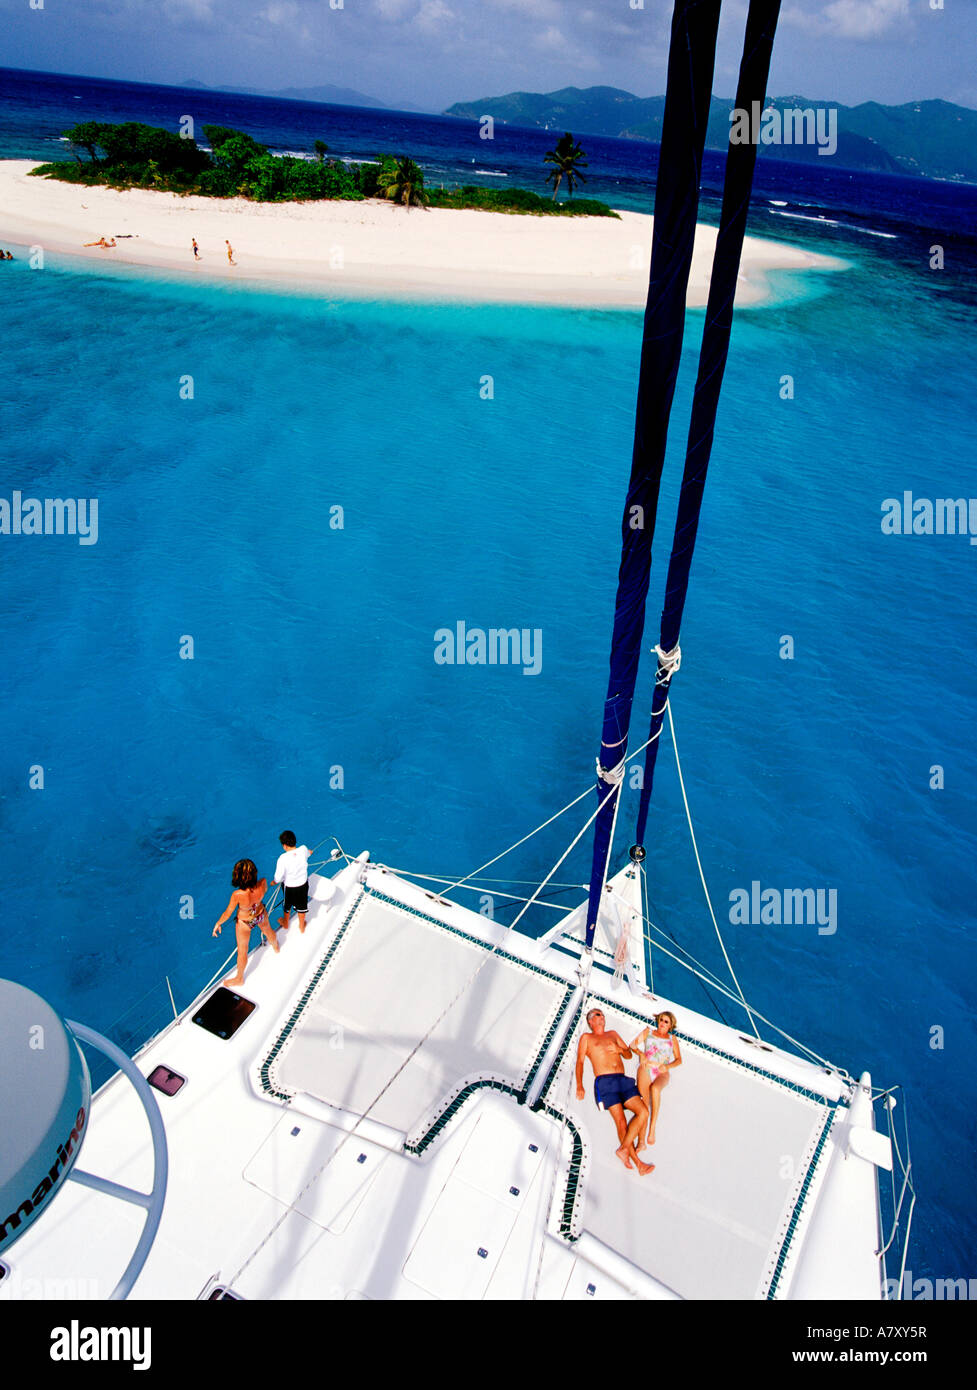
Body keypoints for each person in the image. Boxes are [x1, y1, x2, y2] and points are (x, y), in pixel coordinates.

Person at [575, 1008, 654, 1175]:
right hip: (605, 1082)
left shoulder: (613, 1034)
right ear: (591, 1021)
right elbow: (580, 1061)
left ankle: (623, 1149)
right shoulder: (587, 1038)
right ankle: (639, 1164)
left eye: (603, 1015)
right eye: (598, 1015)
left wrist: (620, 1050)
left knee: (643, 1112)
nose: (602, 1017)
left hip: (623, 1080)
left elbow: (628, 1055)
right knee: (621, 1122)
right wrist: (579, 1085)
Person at [212, 858, 280, 986]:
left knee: (242, 951)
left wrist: (218, 923)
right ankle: (276, 948)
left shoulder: (237, 894)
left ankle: (239, 978)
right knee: (269, 932)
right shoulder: (263, 883)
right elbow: (263, 892)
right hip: (260, 914)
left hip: (245, 922)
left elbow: (228, 913)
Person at [630, 1012, 682, 1148]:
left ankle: (652, 1128)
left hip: (661, 1071)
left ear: (671, 1025)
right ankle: (641, 1142)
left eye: (666, 1022)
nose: (663, 1023)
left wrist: (667, 1066)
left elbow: (679, 1060)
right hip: (646, 1068)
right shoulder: (648, 1032)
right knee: (644, 1105)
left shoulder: (672, 1039)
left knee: (655, 1089)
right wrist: (641, 1054)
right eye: (661, 1020)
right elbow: (632, 1045)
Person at [273, 831, 310, 933]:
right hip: (303, 885)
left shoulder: (282, 858)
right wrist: (309, 853)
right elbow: (308, 853)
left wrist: (273, 882)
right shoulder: (303, 849)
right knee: (302, 905)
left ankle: (285, 923)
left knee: (287, 905)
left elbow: (278, 877)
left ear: (284, 846)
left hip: (290, 887)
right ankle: (301, 926)